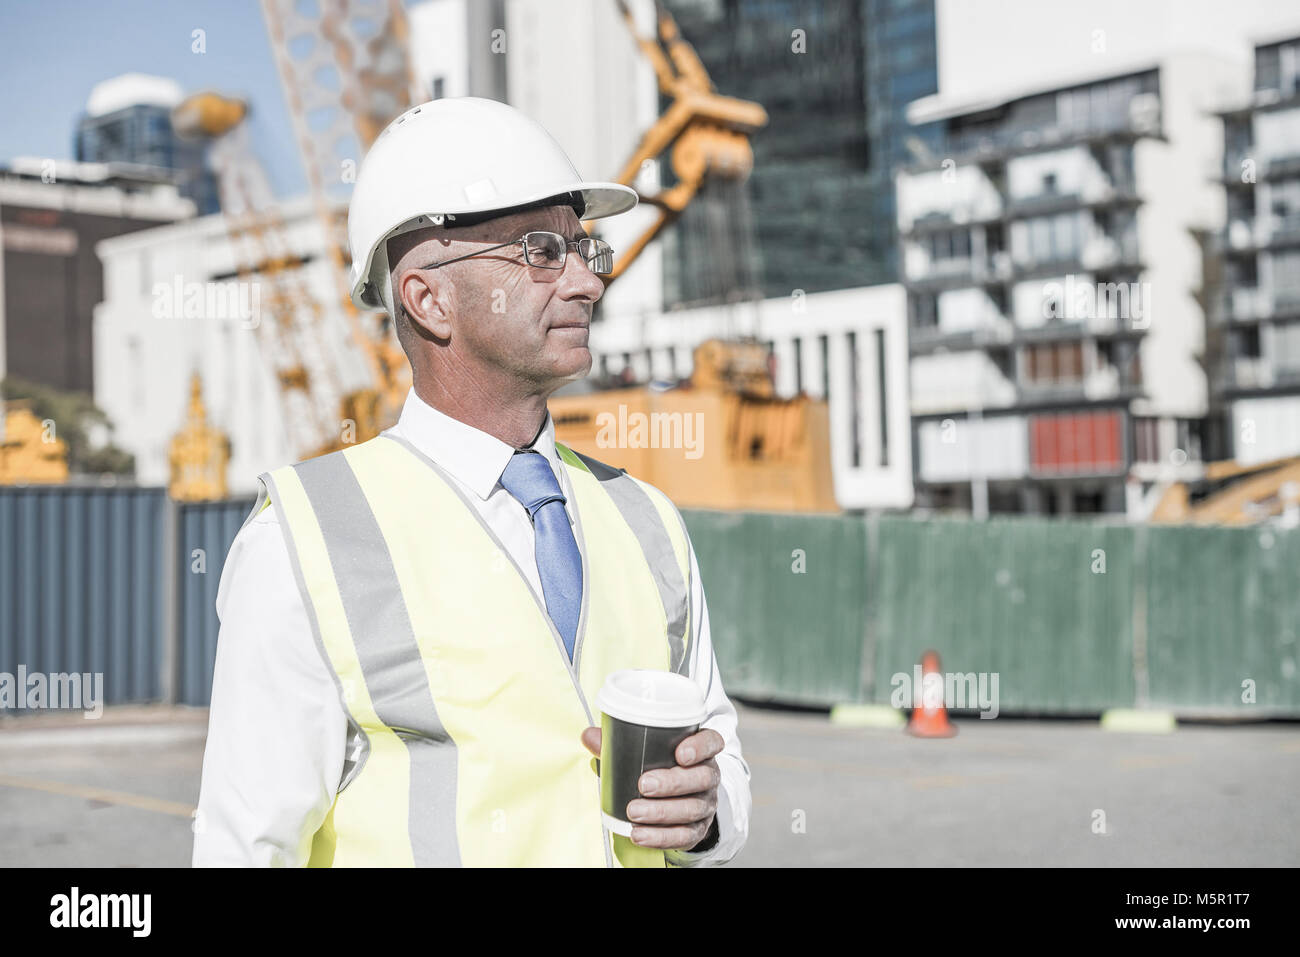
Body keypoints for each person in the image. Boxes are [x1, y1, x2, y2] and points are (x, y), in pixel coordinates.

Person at [192, 96, 751, 867]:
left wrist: (705, 813)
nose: (587, 284)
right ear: (428, 298)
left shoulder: (645, 519)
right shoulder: (304, 542)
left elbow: (722, 760)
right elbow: (244, 849)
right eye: (539, 251)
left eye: (582, 251)